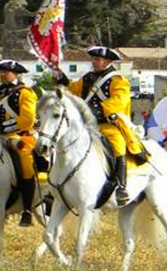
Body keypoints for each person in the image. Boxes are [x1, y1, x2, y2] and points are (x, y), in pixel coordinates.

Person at [56, 46, 147, 206]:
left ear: (108, 62)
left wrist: (93, 111)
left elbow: (119, 101)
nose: (94, 62)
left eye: (98, 60)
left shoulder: (118, 80)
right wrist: (62, 79)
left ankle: (121, 186)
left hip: (109, 125)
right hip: (87, 126)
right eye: (94, 59)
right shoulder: (88, 78)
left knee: (118, 146)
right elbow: (73, 91)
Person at [0, 59, 38, 226]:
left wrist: (2, 127)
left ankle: (27, 210)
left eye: (5, 71)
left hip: (19, 136)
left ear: (15, 74)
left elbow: (27, 120)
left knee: (25, 165)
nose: (2, 74)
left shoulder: (26, 93)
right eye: (0, 71)